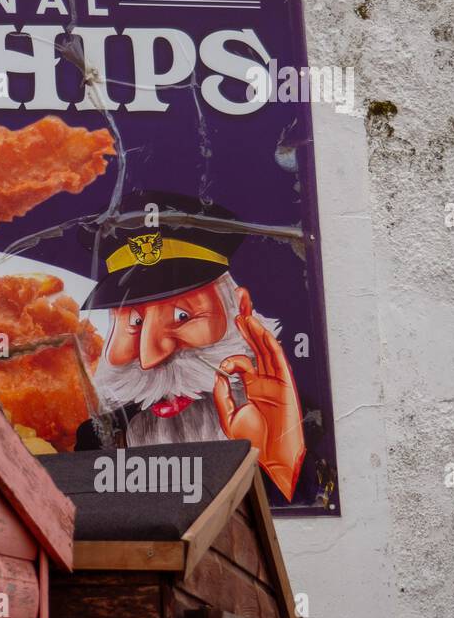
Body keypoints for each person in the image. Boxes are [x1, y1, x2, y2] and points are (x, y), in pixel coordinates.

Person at [75, 192, 321, 505]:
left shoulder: (304, 425)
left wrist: (281, 460)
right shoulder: (94, 442)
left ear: (240, 312)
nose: (151, 356)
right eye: (134, 323)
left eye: (182, 316)